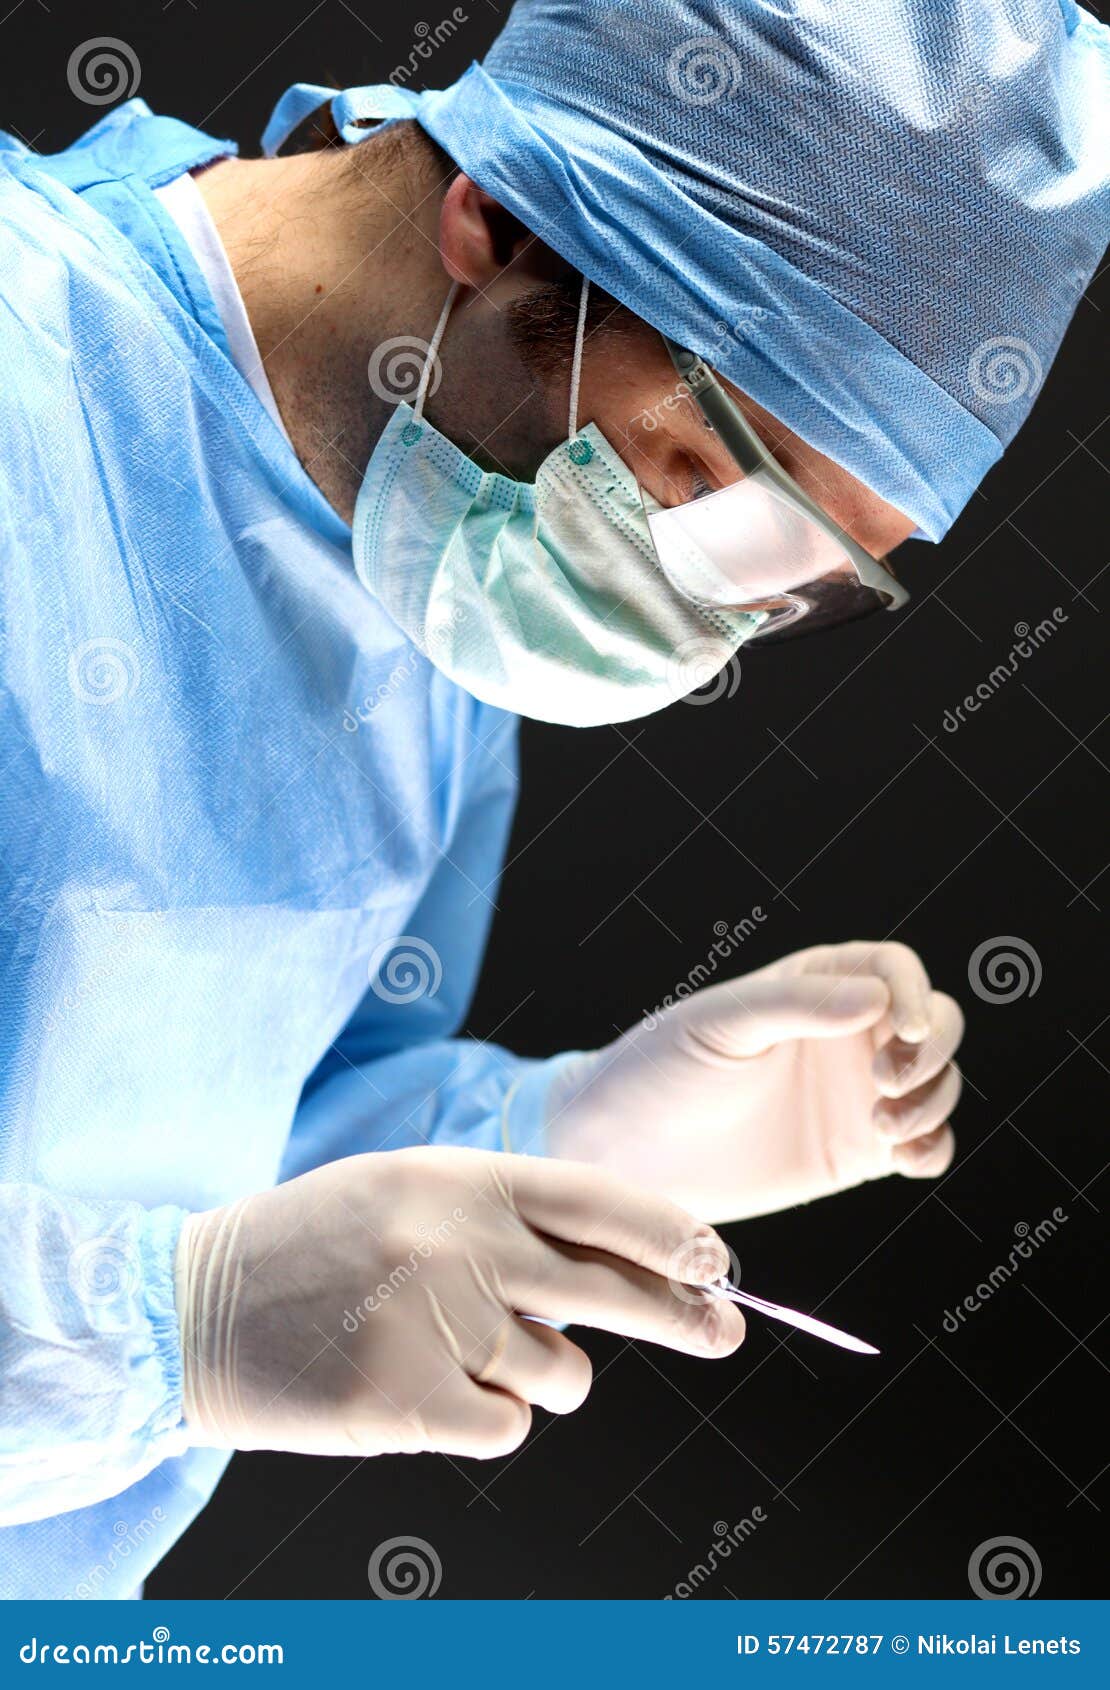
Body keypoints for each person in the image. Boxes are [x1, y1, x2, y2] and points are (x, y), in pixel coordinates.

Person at [0, 0, 1105, 1599]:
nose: (711, 617)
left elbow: (217, 1162)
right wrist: (166, 1326)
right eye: (708, 477)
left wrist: (555, 1133)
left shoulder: (432, 557)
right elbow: (194, 1282)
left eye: (810, 576)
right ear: (499, 221)